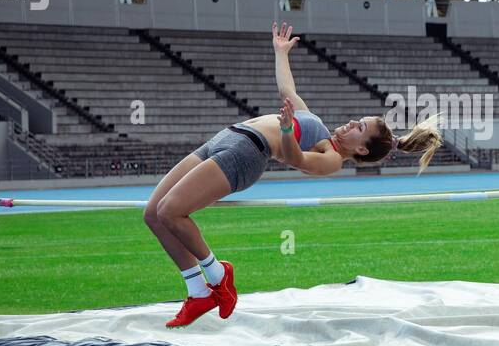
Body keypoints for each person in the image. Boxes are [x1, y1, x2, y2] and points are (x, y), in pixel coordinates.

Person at [144, 21, 444, 327]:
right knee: (153, 214)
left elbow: (296, 158)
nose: (352, 122)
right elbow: (288, 90)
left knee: (171, 211)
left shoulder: (332, 159)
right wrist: (281, 52)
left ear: (363, 150)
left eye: (360, 127)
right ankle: (197, 292)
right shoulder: (318, 125)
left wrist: (287, 130)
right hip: (226, 137)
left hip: (246, 153)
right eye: (358, 119)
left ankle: (219, 275)